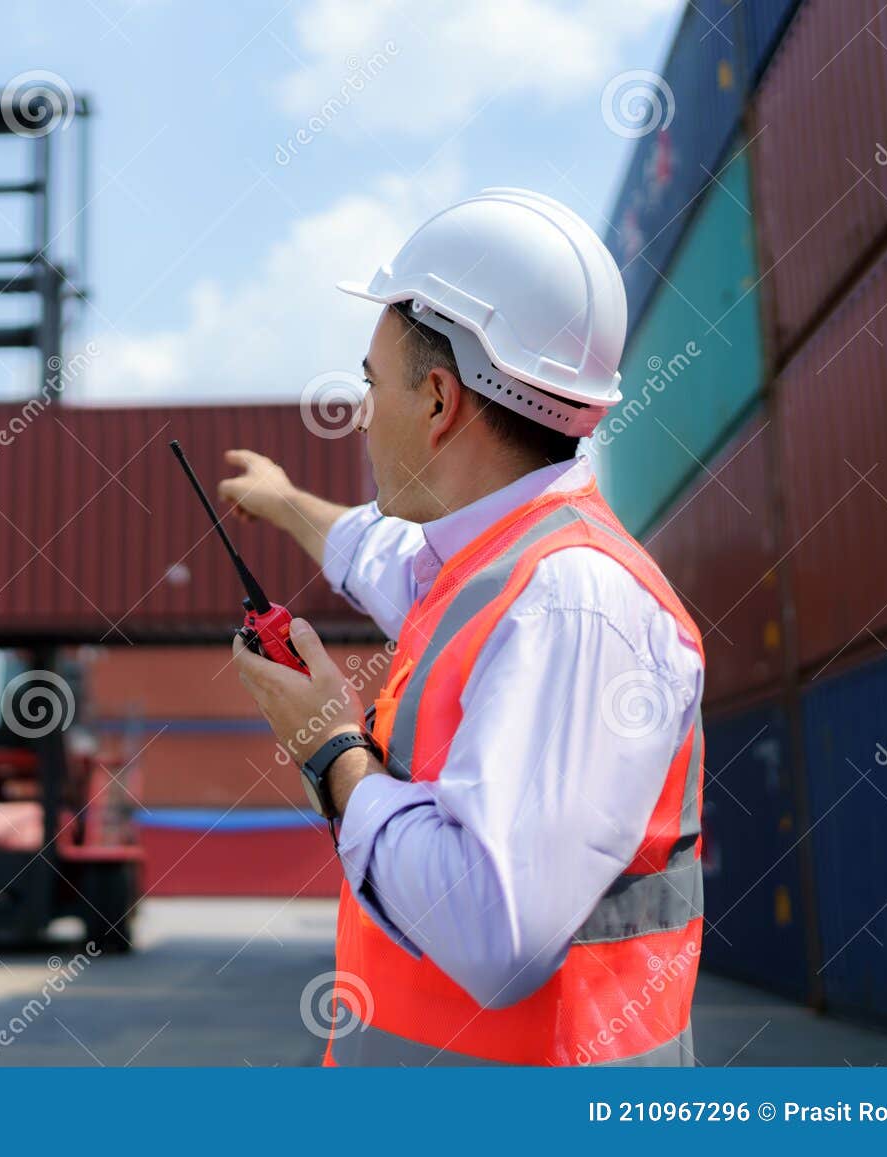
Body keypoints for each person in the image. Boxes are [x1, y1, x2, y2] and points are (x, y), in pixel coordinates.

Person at [219, 188, 705, 1067]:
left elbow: (496, 933)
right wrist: (288, 504)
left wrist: (329, 747)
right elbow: (377, 555)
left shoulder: (568, 604)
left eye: (371, 385)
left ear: (439, 400)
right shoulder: (485, 571)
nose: (364, 415)